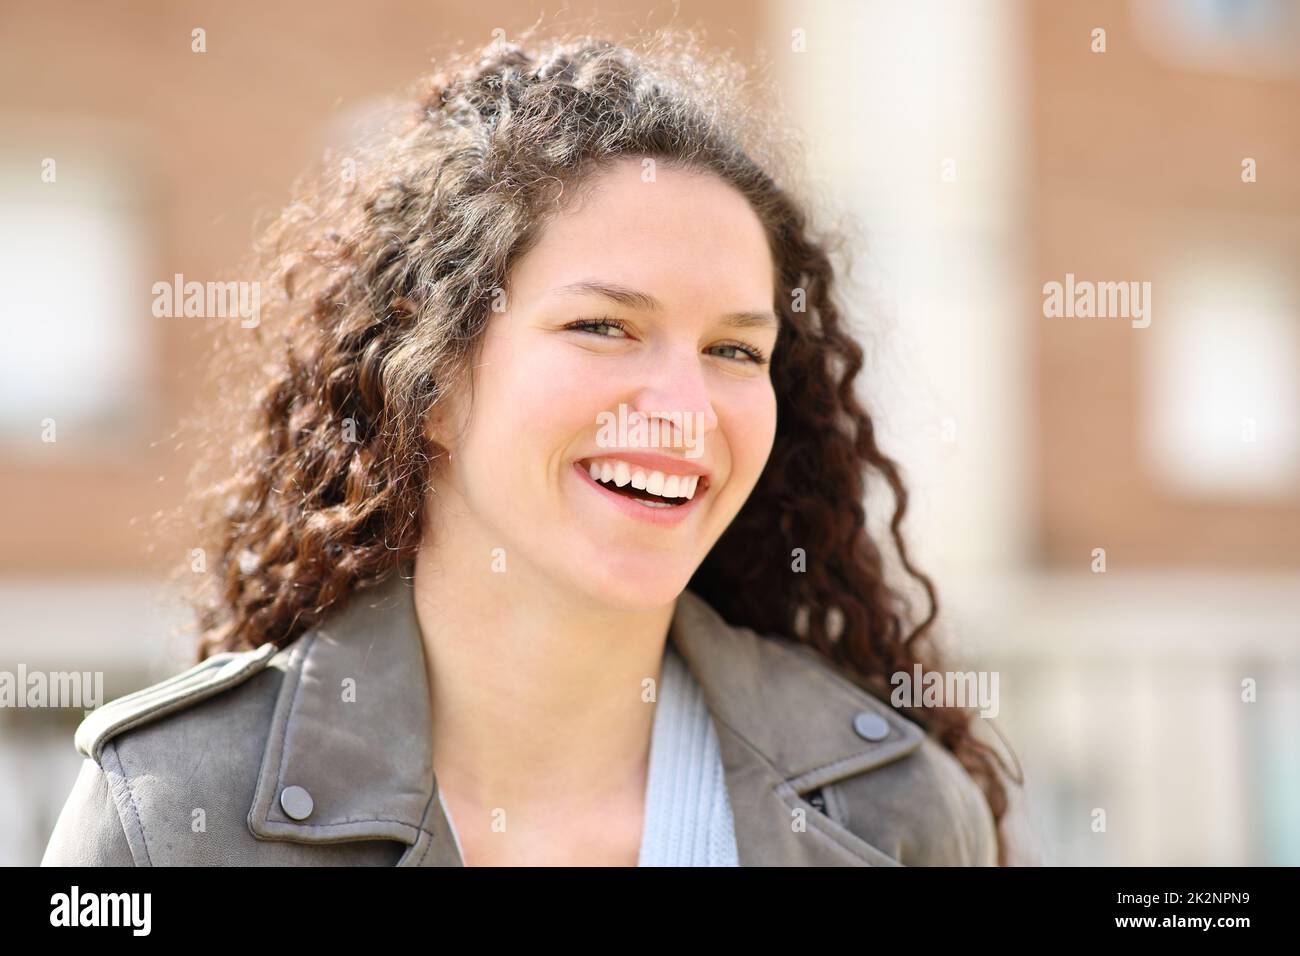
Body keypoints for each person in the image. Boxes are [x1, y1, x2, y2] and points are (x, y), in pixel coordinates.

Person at [41, 28, 1015, 867]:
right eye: (603, 326)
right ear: (427, 378)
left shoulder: (900, 811)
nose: (683, 407)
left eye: (733, 348)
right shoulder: (166, 813)